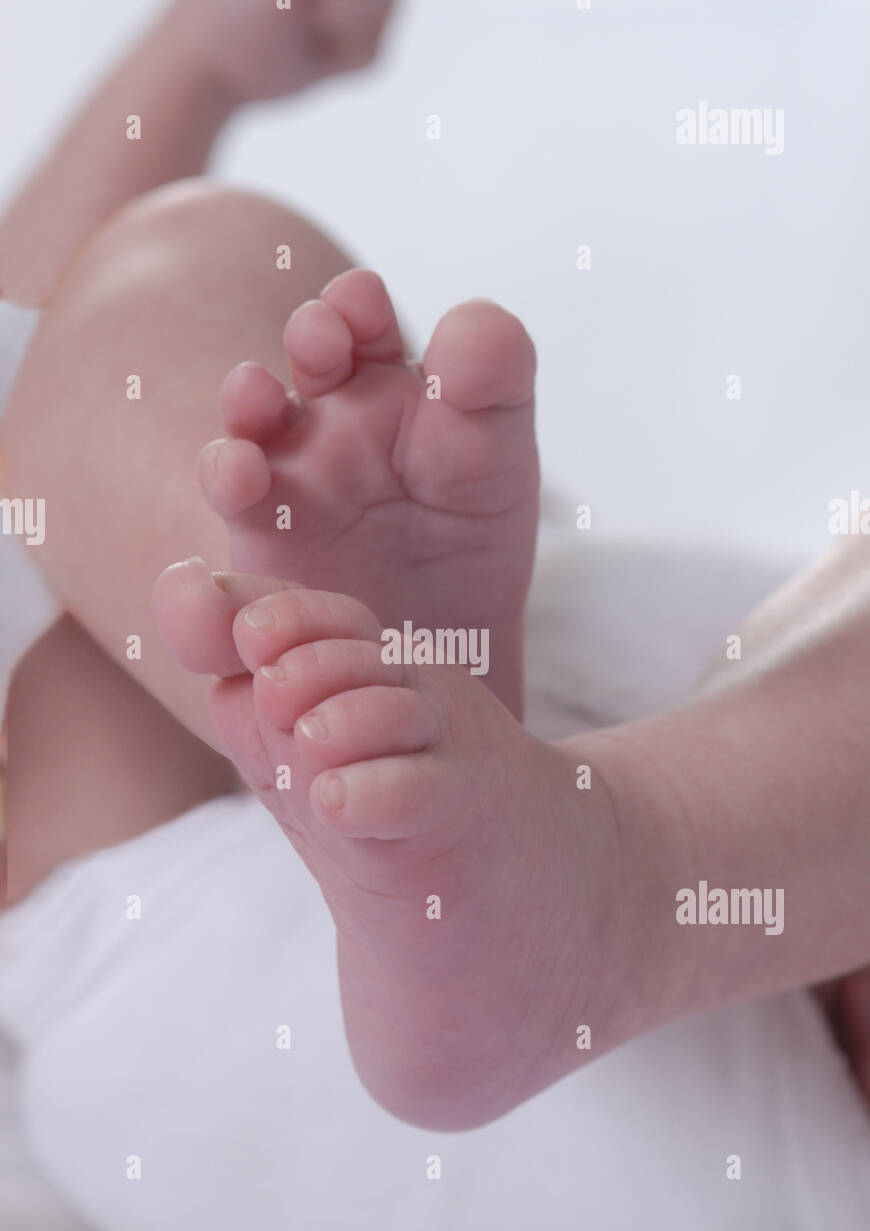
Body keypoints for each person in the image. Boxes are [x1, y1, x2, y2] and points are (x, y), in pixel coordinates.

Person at [1, 0, 868, 1130]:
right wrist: (194, 66)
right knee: (155, 289)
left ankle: (543, 827)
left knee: (142, 312)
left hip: (171, 890)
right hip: (344, 832)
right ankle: (389, 682)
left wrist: (186, 73)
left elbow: (41, 371)